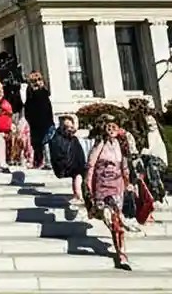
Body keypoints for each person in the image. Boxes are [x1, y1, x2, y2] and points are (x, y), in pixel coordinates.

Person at [86, 115, 132, 269]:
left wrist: (128, 182)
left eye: (115, 127)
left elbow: (125, 165)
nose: (112, 130)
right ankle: (120, 248)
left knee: (116, 218)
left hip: (117, 184)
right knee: (109, 217)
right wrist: (88, 185)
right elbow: (91, 164)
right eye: (109, 127)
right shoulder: (100, 143)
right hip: (102, 185)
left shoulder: (122, 144)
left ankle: (121, 252)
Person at [49, 114, 88, 204]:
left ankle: (79, 194)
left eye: (71, 127)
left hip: (72, 164)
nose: (70, 129)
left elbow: (78, 154)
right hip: (64, 165)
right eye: (67, 127)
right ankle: (78, 195)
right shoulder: (58, 138)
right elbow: (58, 153)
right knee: (78, 174)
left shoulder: (73, 139)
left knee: (79, 174)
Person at [24, 71, 54, 169]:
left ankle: (48, 162)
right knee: (37, 143)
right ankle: (39, 162)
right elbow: (28, 107)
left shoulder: (43, 92)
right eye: (34, 81)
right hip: (35, 123)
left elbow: (47, 108)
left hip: (46, 121)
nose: (37, 82)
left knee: (46, 142)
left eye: (39, 79)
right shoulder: (30, 93)